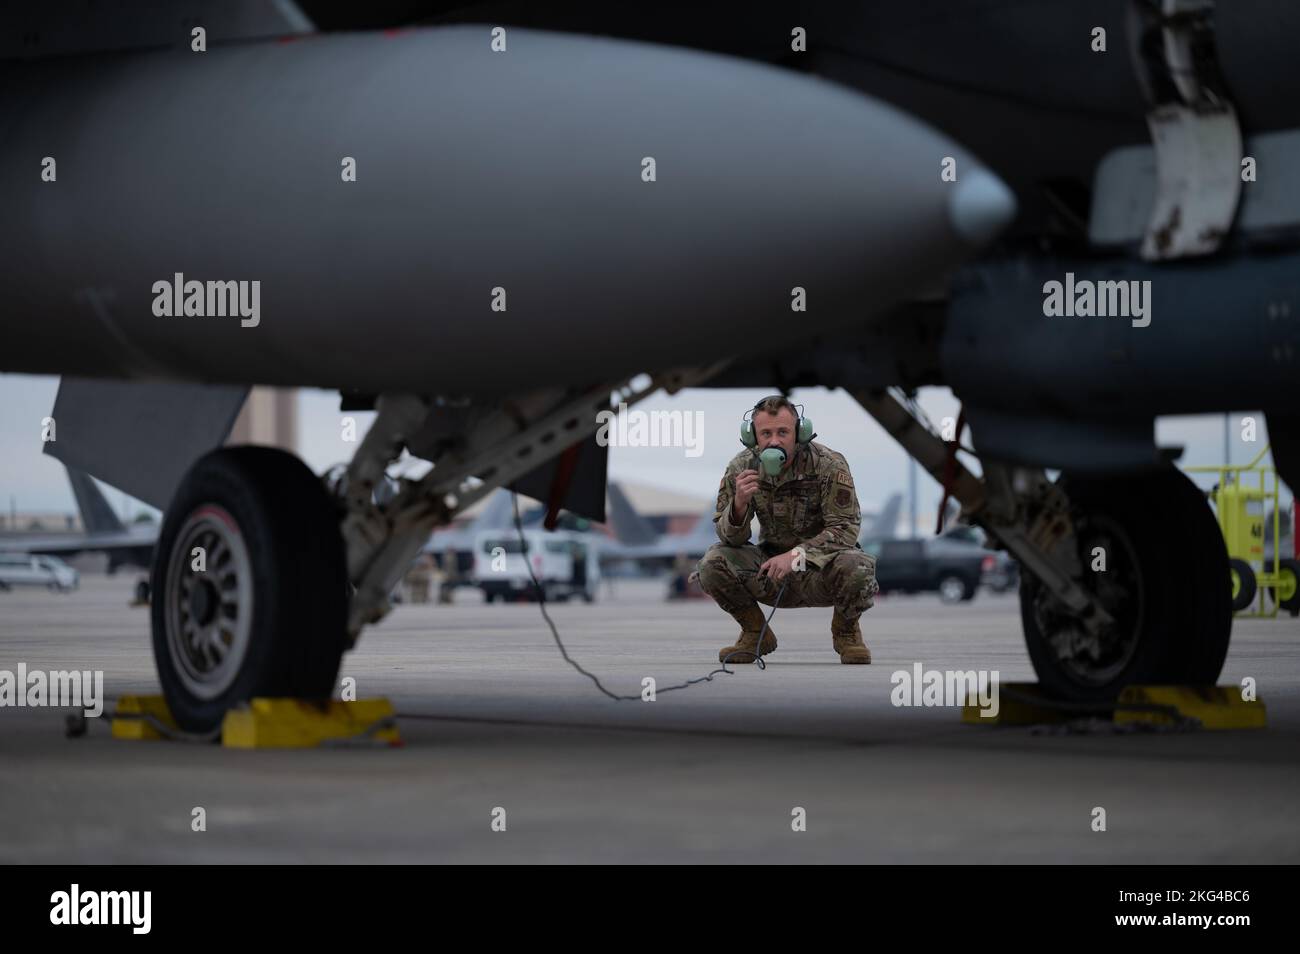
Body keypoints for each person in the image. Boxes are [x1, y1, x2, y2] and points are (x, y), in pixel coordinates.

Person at [697, 395, 877, 664]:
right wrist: (738, 505)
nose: (774, 441)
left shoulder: (828, 464)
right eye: (766, 433)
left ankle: (846, 632)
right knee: (712, 563)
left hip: (820, 571)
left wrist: (797, 555)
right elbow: (730, 539)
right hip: (771, 573)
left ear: (799, 433)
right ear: (752, 437)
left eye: (783, 432)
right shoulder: (741, 467)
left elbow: (845, 528)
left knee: (858, 566)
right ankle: (755, 633)